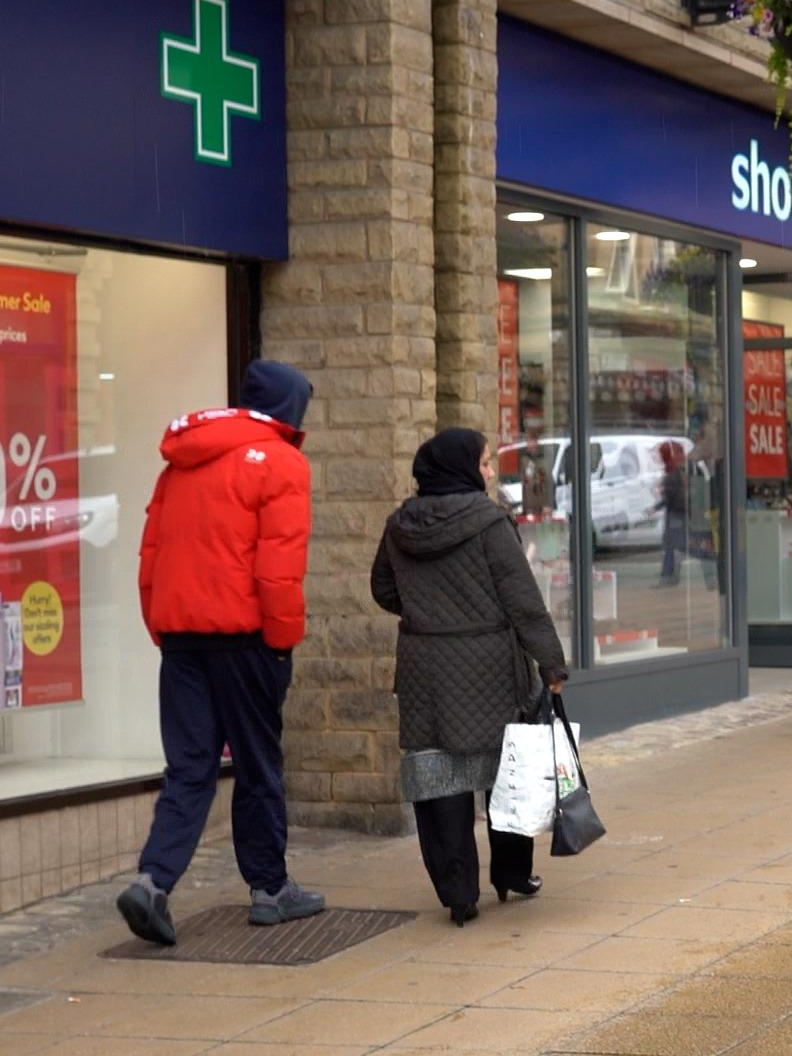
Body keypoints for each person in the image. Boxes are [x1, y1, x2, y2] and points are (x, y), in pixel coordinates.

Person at [117, 361, 323, 946]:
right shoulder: (282, 462)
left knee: (189, 769)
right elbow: (279, 569)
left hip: (182, 637)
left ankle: (153, 882)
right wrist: (280, 644)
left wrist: (163, 629)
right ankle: (269, 889)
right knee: (259, 765)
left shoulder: (181, 462)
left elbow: (150, 553)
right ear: (291, 409)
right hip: (245, 640)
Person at [371, 429, 568, 928]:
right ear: (461, 468)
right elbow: (523, 601)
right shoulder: (489, 523)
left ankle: (458, 894)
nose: (489, 472)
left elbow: (383, 589)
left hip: (424, 668)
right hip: (490, 664)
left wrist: (427, 611)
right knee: (507, 772)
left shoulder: (400, 526)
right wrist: (551, 664)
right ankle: (511, 874)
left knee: (439, 779)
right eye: (483, 463)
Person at [654, 440, 689, 587]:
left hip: (675, 513)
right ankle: (671, 575)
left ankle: (668, 576)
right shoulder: (678, 472)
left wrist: (660, 502)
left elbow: (671, 496)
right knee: (674, 545)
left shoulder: (672, 474)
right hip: (678, 512)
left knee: (671, 545)